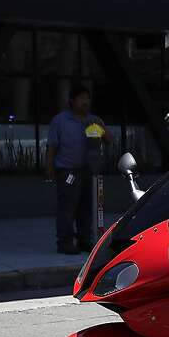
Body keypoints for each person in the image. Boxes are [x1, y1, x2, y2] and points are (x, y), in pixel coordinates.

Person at [46, 85, 108, 254]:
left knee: (86, 207)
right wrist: (49, 166)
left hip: (88, 171)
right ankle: (64, 241)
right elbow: (52, 146)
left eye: (87, 98)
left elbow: (108, 139)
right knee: (67, 206)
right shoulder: (60, 121)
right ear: (72, 101)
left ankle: (84, 240)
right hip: (68, 171)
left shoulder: (93, 120)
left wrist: (100, 127)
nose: (85, 102)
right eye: (81, 98)